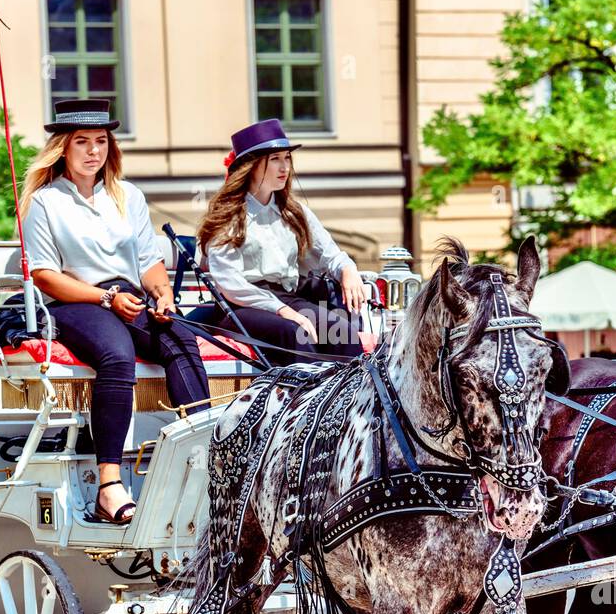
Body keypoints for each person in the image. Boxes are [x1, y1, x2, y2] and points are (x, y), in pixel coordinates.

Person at [21, 99, 210, 525]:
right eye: (82, 142)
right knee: (116, 351)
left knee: (181, 338)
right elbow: (45, 275)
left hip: (128, 296)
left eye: (101, 141)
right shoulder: (45, 202)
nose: (93, 151)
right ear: (62, 149)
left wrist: (163, 295)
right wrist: (104, 299)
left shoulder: (128, 196)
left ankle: (201, 459)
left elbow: (149, 262)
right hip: (72, 302)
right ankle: (109, 485)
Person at [199, 119, 371, 366]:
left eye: (287, 158)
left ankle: (351, 402)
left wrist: (348, 269)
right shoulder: (229, 216)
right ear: (252, 165)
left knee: (340, 330)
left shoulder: (294, 212)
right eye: (275, 159)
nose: (285, 167)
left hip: (287, 297)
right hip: (240, 306)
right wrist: (281, 310)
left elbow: (329, 254)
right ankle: (303, 403)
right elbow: (231, 284)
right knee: (294, 331)